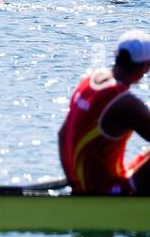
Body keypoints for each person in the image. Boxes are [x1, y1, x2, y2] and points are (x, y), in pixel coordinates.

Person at [58, 31, 150, 195]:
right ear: (145, 67)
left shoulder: (89, 79)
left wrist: (74, 184)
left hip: (82, 185)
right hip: (106, 191)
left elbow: (62, 134)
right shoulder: (125, 104)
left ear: (116, 55)